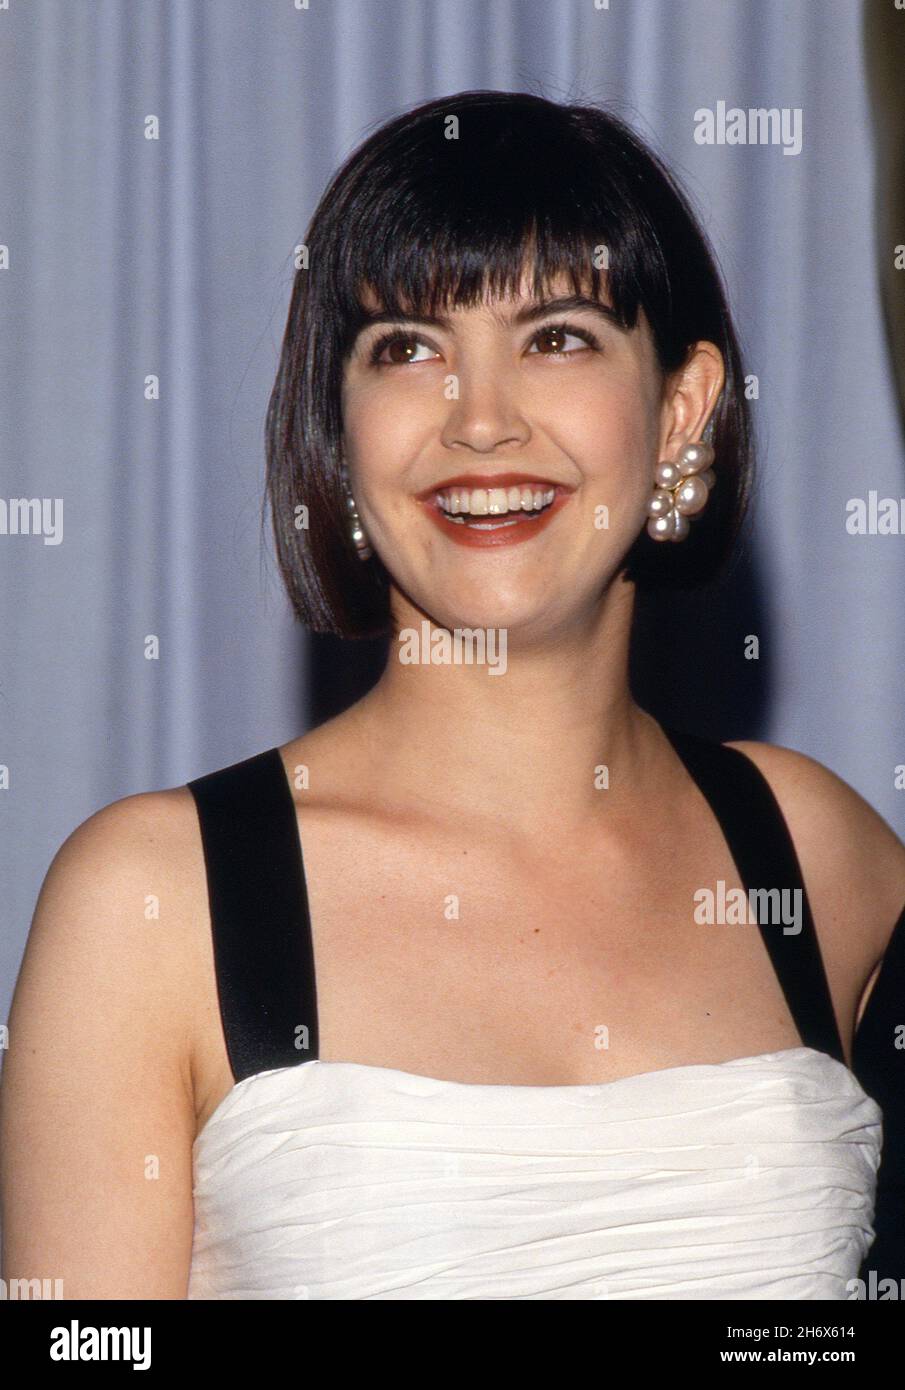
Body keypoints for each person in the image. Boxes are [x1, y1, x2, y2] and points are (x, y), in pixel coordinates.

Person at [2, 90, 904, 1301]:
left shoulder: (815, 853)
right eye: (408, 349)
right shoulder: (150, 900)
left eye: (558, 336)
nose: (480, 421)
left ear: (681, 410)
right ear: (340, 426)